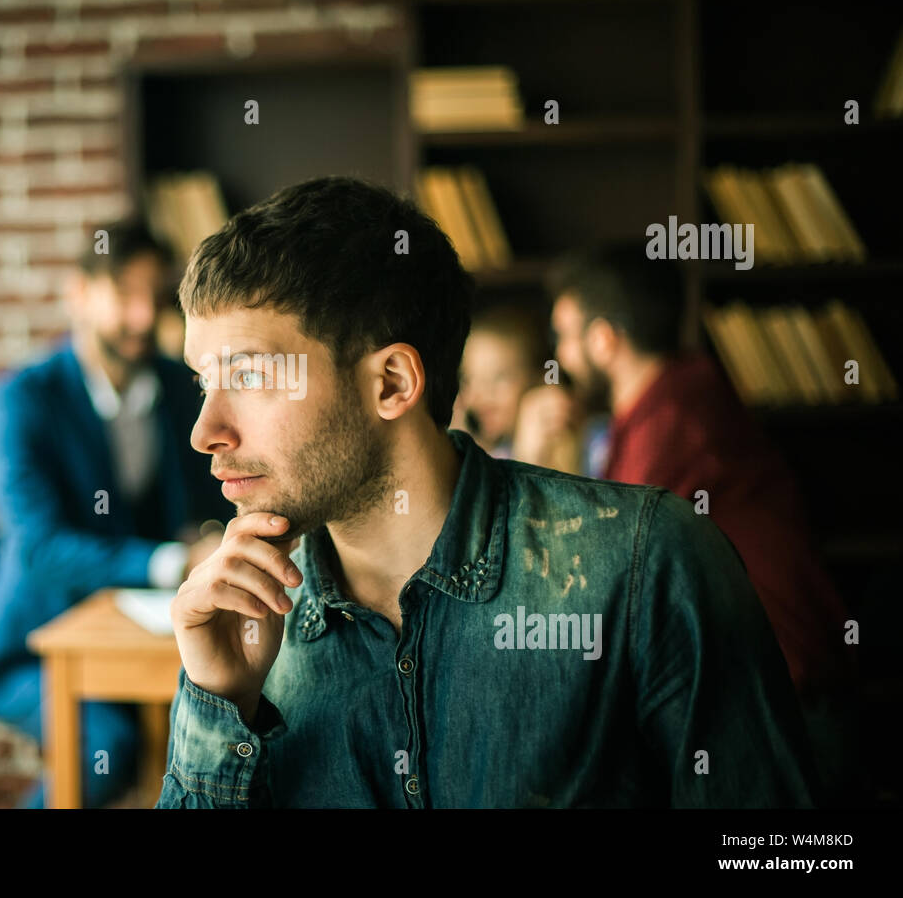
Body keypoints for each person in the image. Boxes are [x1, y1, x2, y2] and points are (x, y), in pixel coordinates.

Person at [154, 176, 819, 808]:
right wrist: (217, 702)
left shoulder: (646, 566)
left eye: (247, 377)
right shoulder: (243, 633)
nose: (203, 432)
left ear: (390, 383)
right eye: (202, 382)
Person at [546, 245, 858, 801]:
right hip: (773, 694)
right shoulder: (679, 394)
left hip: (777, 713)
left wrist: (534, 447)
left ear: (604, 340)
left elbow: (598, 570)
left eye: (566, 337)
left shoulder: (670, 424)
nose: (561, 357)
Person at [0, 219, 230, 808]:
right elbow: (40, 547)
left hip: (141, 637)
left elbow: (206, 505)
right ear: (77, 294)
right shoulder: (21, 399)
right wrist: (172, 559)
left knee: (216, 727)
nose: (139, 318)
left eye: (153, 299)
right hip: (27, 647)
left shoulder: (179, 388)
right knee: (105, 752)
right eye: (123, 295)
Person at [450, 304, 609, 476]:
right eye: (468, 379)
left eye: (499, 378)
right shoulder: (491, 456)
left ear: (540, 380)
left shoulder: (599, 445)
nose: (478, 396)